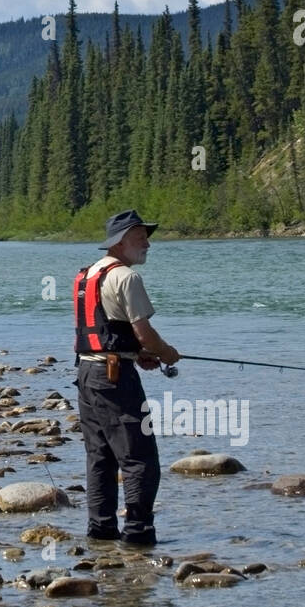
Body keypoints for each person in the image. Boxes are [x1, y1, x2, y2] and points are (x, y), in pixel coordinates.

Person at [72, 209, 181, 545]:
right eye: (139, 237)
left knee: (100, 457)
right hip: (114, 377)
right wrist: (165, 353)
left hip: (87, 373)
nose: (147, 243)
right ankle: (138, 534)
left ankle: (101, 532)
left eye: (146, 237)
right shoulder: (127, 278)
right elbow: (143, 332)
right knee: (140, 458)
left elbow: (105, 332)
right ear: (120, 242)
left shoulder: (87, 275)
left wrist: (136, 354)